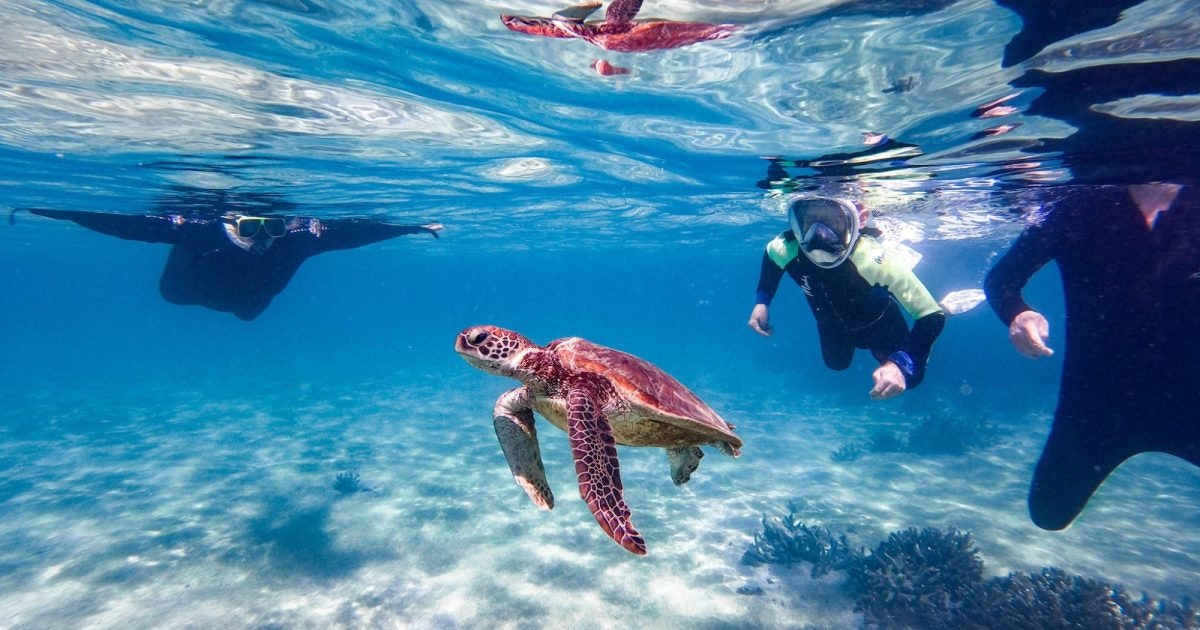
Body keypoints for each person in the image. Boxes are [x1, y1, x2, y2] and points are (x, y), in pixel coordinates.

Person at [984, 182, 1200, 530]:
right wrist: (1018, 314)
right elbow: (1001, 279)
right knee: (1049, 511)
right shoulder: (1080, 206)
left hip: (1190, 396)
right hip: (1097, 401)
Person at [23, 206, 442, 321]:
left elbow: (353, 234)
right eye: (249, 225)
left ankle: (206, 266)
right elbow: (127, 227)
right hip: (188, 290)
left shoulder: (297, 239)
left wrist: (409, 228)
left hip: (248, 300)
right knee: (172, 291)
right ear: (230, 222)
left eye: (271, 226)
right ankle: (184, 252)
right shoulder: (202, 229)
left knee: (249, 312)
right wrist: (61, 213)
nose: (261, 236)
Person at [748, 196, 946, 399]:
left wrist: (898, 364)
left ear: (855, 221)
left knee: (910, 379)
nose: (819, 234)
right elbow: (771, 256)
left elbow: (932, 316)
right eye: (810, 222)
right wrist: (762, 301)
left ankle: (928, 301)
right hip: (831, 324)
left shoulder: (872, 260)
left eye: (832, 222)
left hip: (881, 325)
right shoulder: (788, 248)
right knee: (836, 364)